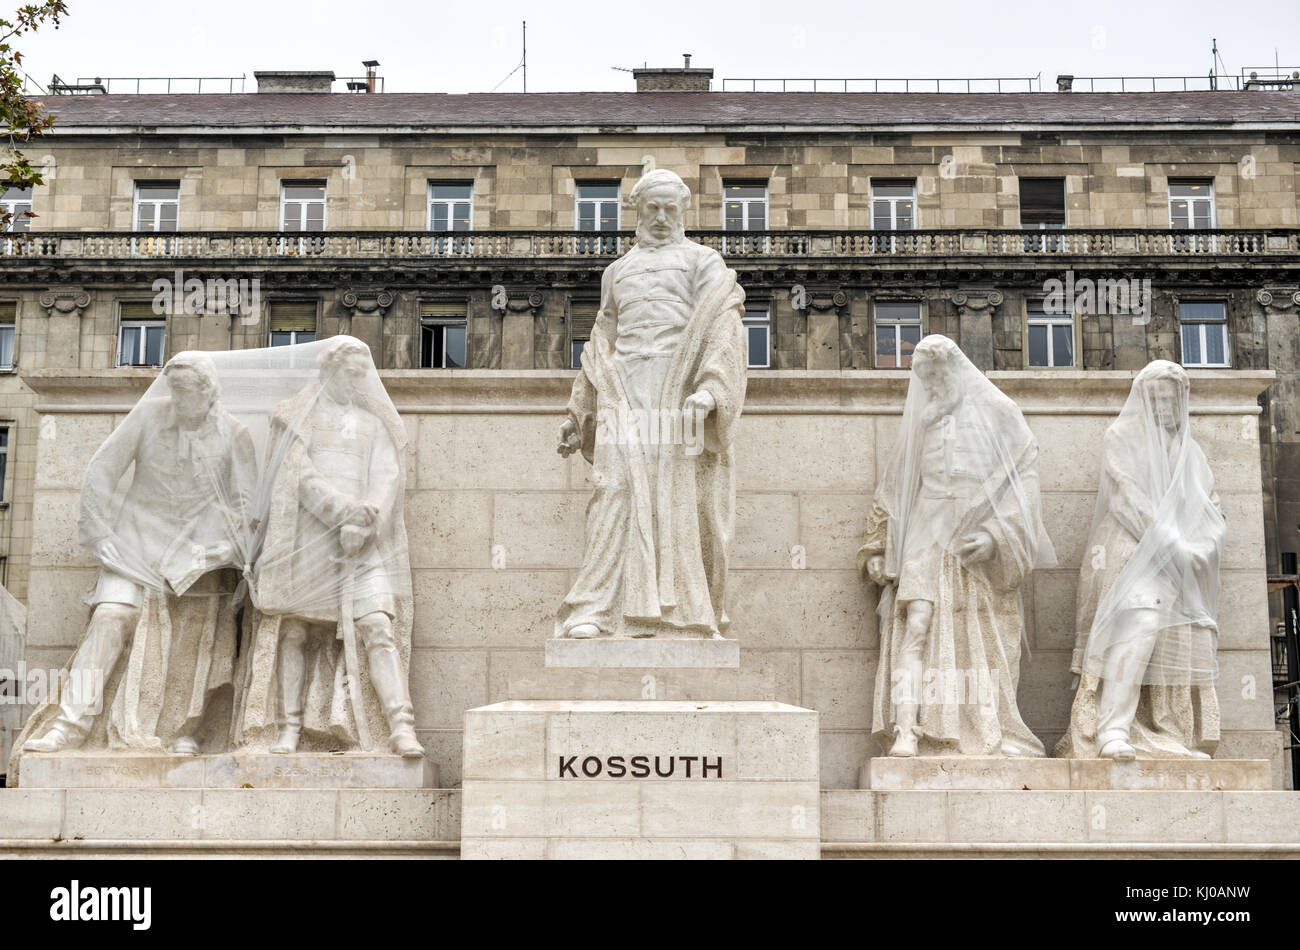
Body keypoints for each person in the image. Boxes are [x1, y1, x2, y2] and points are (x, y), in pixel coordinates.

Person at [14, 352, 256, 766]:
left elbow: (247, 505)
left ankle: (184, 729)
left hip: (195, 557)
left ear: (209, 392)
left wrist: (221, 548)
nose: (180, 400)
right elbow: (102, 469)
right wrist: (98, 530)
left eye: (189, 391)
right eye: (174, 390)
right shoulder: (148, 417)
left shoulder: (234, 433)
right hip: (135, 544)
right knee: (112, 614)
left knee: (192, 637)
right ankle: (68, 726)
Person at [555, 167, 747, 639]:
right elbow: (601, 340)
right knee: (612, 491)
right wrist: (579, 413)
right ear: (636, 212)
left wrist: (711, 391)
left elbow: (723, 328)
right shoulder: (616, 271)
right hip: (624, 390)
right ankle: (595, 609)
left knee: (674, 497)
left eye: (670, 209)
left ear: (684, 212)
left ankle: (681, 612)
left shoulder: (704, 262)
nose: (661, 218)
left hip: (677, 392)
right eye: (652, 208)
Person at [858, 335, 1054, 756]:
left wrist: (998, 535)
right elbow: (894, 487)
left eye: (937, 374)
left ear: (956, 369)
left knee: (978, 632)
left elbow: (1024, 478)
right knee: (917, 623)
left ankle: (985, 726)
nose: (931, 383)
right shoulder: (922, 421)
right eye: (925, 376)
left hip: (972, 541)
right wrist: (876, 545)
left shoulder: (999, 412)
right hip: (925, 533)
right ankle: (907, 729)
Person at [234, 336, 422, 757]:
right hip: (310, 539)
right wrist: (345, 514)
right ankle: (289, 728)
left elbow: (386, 477)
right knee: (295, 631)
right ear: (328, 371)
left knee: (377, 625)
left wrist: (368, 519)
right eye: (349, 373)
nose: (356, 381)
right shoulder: (298, 419)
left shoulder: (373, 423)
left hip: (362, 542)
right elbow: (298, 476)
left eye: (361, 374)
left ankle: (401, 725)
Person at [1056, 360, 1225, 761]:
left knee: (1174, 638)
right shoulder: (1122, 437)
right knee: (1139, 625)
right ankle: (1111, 730)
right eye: (1158, 399)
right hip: (1131, 550)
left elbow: (1211, 508)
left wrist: (1203, 546)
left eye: (1172, 400)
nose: (1165, 407)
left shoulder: (1192, 453)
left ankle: (1165, 731)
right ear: (1146, 400)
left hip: (1180, 560)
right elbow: (1127, 500)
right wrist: (1172, 544)